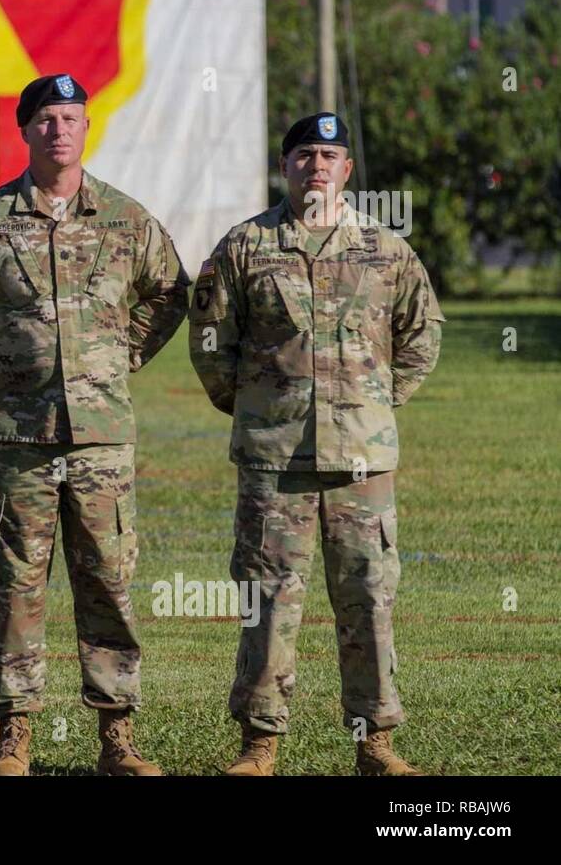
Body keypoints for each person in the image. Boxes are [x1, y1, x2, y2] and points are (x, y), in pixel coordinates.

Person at [0, 74, 190, 776]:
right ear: (26, 131)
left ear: (86, 127)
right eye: (46, 119)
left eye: (71, 117)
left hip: (100, 435)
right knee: (14, 584)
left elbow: (170, 292)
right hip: (18, 435)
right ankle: (14, 733)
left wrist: (121, 353)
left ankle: (117, 736)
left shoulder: (125, 218)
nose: (59, 130)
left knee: (108, 580)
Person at [189, 112, 444, 776]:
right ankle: (260, 744)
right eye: (305, 155)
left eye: (330, 154)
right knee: (269, 602)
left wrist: (379, 405)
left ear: (348, 169)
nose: (318, 166)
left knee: (368, 601)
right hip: (277, 463)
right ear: (286, 165)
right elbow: (211, 337)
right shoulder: (246, 247)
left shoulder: (386, 250)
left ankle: (376, 743)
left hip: (363, 463)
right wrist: (250, 406)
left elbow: (423, 332)